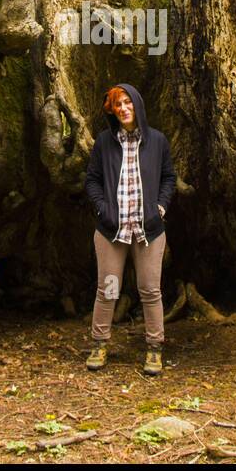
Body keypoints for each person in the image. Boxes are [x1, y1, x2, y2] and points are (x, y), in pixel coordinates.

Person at [83, 83, 176, 375]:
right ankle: (99, 345)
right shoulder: (104, 142)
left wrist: (160, 207)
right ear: (113, 110)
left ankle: (154, 349)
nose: (123, 108)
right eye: (117, 105)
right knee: (108, 290)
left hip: (148, 229)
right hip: (112, 230)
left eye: (127, 103)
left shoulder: (158, 141)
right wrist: (102, 208)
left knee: (150, 289)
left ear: (137, 104)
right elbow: (92, 180)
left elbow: (169, 178)